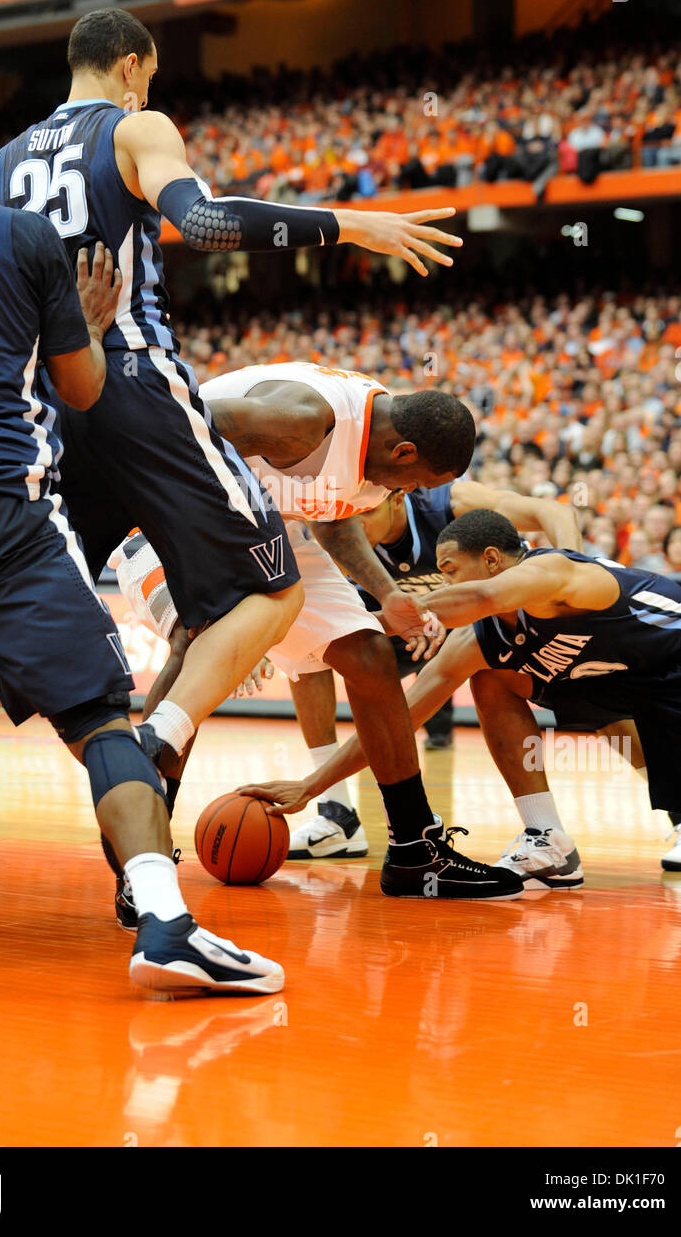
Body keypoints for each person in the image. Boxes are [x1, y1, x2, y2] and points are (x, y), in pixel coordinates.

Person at [0, 5, 463, 854]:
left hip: (51, 406)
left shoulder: (4, 164)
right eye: (152, 75)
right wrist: (351, 224)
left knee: (7, 637)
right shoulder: (135, 127)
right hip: (135, 384)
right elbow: (202, 222)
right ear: (132, 66)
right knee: (272, 590)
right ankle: (159, 742)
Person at [0, 76, 283, 997]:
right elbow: (81, 393)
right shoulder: (21, 235)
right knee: (100, 720)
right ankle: (164, 922)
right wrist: (81, 330)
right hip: (3, 514)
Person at [114, 363, 526, 906]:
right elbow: (164, 423)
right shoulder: (301, 419)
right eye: (418, 483)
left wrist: (387, 594)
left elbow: (330, 513)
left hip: (272, 527)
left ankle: (414, 851)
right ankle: (140, 858)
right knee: (200, 637)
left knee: (369, 654)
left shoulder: (373, 447)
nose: (411, 495)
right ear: (402, 453)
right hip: (165, 518)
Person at [240, 509, 681, 887]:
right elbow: (400, 719)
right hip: (617, 677)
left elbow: (485, 597)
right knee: (492, 677)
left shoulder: (549, 574)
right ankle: (548, 838)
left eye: (449, 571)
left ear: (491, 559)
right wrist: (311, 786)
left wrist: (363, 620)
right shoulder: (478, 639)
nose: (443, 582)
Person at [285, 479, 583, 860]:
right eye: (348, 518)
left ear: (396, 496)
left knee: (601, 703)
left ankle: (680, 816)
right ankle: (336, 816)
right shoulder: (332, 529)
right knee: (307, 653)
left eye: (366, 513)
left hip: (466, 623)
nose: (355, 527)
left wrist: (571, 572)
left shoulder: (452, 503)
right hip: (390, 628)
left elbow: (553, 510)